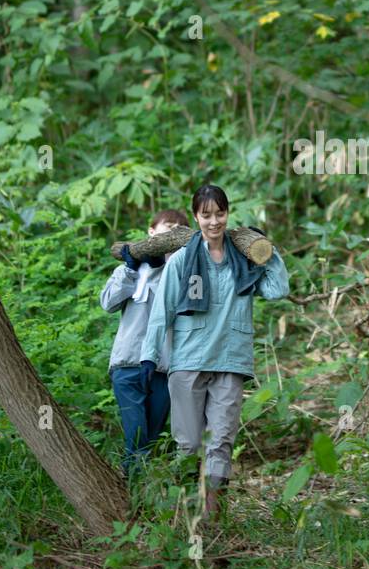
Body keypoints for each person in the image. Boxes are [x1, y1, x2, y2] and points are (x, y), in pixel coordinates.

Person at [140, 184, 289, 519]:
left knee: (220, 442)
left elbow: (278, 290)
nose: (213, 221)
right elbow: (162, 310)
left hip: (230, 360)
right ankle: (186, 512)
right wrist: (149, 355)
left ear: (227, 213)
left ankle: (212, 521)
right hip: (188, 360)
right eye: (206, 215)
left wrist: (268, 251)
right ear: (196, 217)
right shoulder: (181, 260)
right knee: (190, 445)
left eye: (219, 213)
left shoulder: (244, 260)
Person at [100, 208, 190, 476]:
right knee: (136, 436)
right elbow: (108, 303)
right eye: (167, 226)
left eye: (179, 229)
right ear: (152, 232)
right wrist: (130, 269)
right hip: (127, 364)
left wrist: (159, 268)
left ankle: (136, 496)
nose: (172, 231)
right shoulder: (126, 269)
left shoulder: (180, 273)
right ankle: (130, 497)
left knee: (148, 441)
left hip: (163, 368)